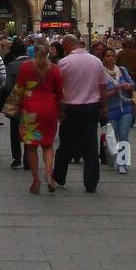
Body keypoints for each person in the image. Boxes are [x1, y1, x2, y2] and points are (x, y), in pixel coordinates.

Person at [53, 36, 109, 193]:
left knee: (65, 144)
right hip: (91, 107)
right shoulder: (96, 61)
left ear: (68, 45)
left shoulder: (64, 63)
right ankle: (91, 183)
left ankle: (59, 177)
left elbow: (58, 88)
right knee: (91, 144)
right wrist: (104, 106)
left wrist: (60, 109)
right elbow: (103, 86)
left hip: (70, 108)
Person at [15, 40, 64, 195]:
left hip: (30, 108)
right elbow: (60, 93)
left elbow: (20, 87)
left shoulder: (26, 67)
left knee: (31, 145)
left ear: (33, 50)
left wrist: (17, 106)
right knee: (48, 145)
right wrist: (61, 110)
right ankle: (49, 173)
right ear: (49, 51)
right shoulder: (55, 69)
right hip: (49, 108)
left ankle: (36, 179)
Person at [101, 47, 136, 172]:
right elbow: (101, 94)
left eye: (112, 55)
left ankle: (123, 163)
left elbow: (132, 84)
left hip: (126, 107)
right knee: (112, 135)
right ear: (103, 58)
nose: (110, 58)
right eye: (107, 55)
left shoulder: (122, 70)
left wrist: (128, 85)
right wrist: (115, 90)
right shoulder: (101, 73)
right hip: (111, 108)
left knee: (123, 134)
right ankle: (110, 155)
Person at [3, 40, 30, 170]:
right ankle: (28, 158)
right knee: (29, 129)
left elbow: (7, 86)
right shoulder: (34, 63)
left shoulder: (12, 65)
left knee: (15, 129)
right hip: (31, 102)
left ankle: (17, 158)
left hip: (17, 102)